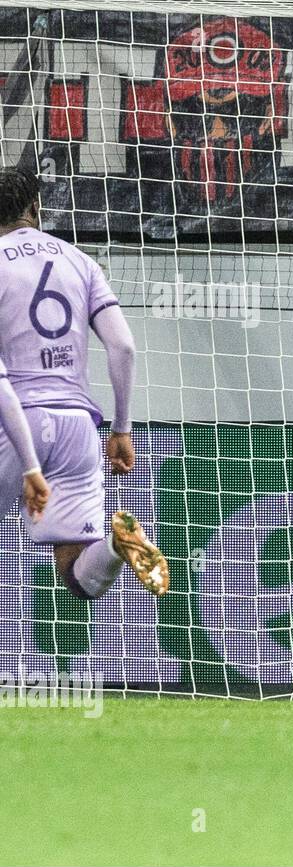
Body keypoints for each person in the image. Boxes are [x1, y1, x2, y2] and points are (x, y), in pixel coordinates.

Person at [0, 167, 168, 599]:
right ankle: (115, 543)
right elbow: (123, 347)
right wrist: (122, 429)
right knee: (80, 578)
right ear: (35, 208)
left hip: (13, 419)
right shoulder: (80, 261)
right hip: (77, 425)